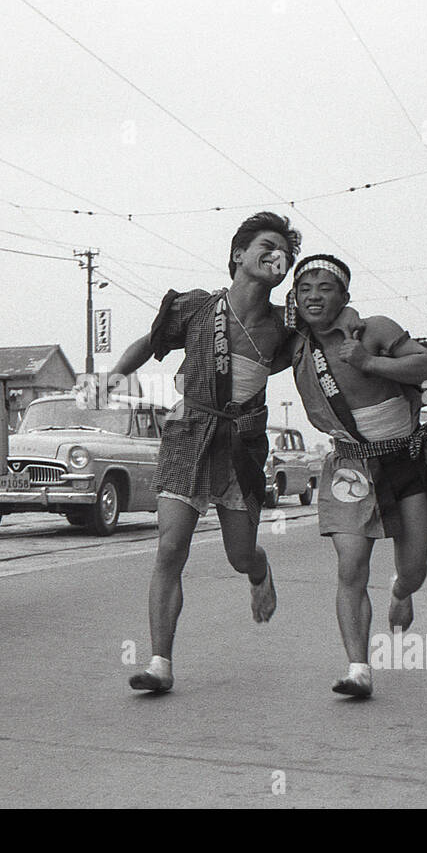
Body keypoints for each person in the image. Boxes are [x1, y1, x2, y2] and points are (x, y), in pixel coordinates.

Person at [112, 211, 303, 693]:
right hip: (187, 436)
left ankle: (260, 572)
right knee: (170, 549)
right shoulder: (196, 308)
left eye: (283, 249)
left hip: (240, 448)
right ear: (238, 254)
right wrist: (113, 376)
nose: (275, 253)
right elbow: (147, 342)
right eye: (265, 243)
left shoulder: (286, 327)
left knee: (240, 556)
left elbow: (332, 348)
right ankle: (160, 663)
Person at [281, 254, 427, 698]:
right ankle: (358, 668)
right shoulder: (294, 344)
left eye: (325, 287)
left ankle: (401, 591)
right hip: (348, 464)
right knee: (351, 566)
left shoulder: (377, 329)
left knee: (414, 570)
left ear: (345, 296)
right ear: (295, 298)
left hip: (402, 459)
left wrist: (368, 362)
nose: (314, 295)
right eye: (305, 287)